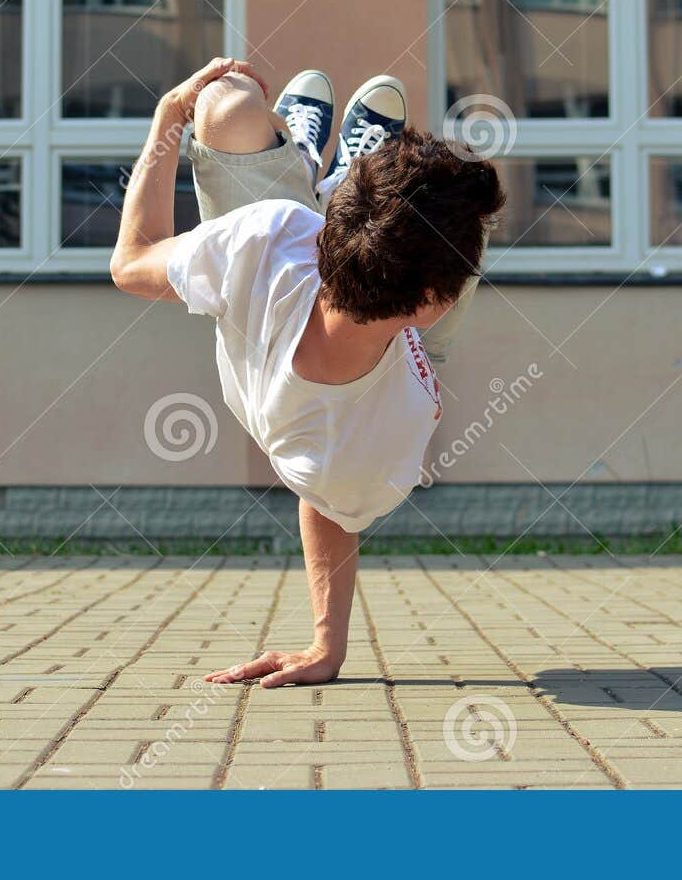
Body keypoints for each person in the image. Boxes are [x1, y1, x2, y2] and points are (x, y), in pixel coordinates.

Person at [111, 58, 503, 688]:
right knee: (460, 232)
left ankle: (344, 184)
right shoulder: (369, 446)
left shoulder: (262, 239)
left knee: (226, 101)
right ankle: (350, 181)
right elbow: (329, 500)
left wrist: (172, 116)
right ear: (433, 306)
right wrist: (328, 645)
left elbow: (131, 261)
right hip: (385, 311)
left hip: (311, 261)